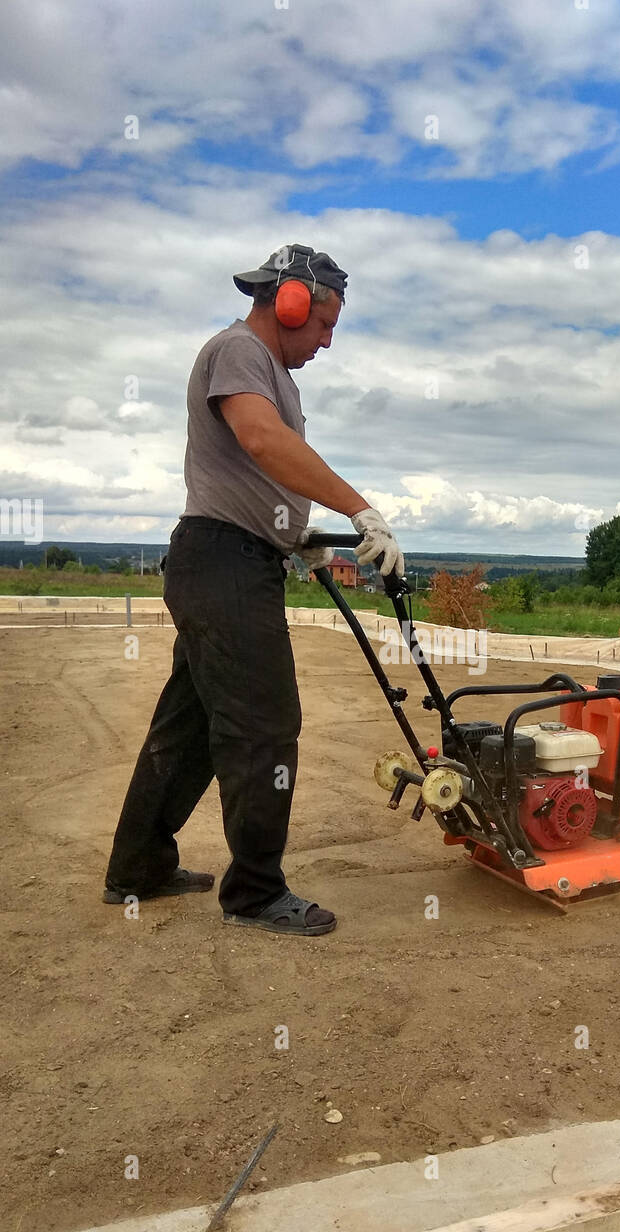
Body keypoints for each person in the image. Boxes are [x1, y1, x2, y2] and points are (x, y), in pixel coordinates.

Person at [103, 243, 404, 937]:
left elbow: (258, 469)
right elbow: (263, 442)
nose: (328, 340)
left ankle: (139, 866)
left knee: (192, 730)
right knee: (264, 727)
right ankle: (256, 893)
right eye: (325, 324)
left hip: (231, 558)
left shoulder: (271, 372)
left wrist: (298, 536)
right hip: (223, 564)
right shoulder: (240, 351)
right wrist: (360, 510)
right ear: (291, 301)